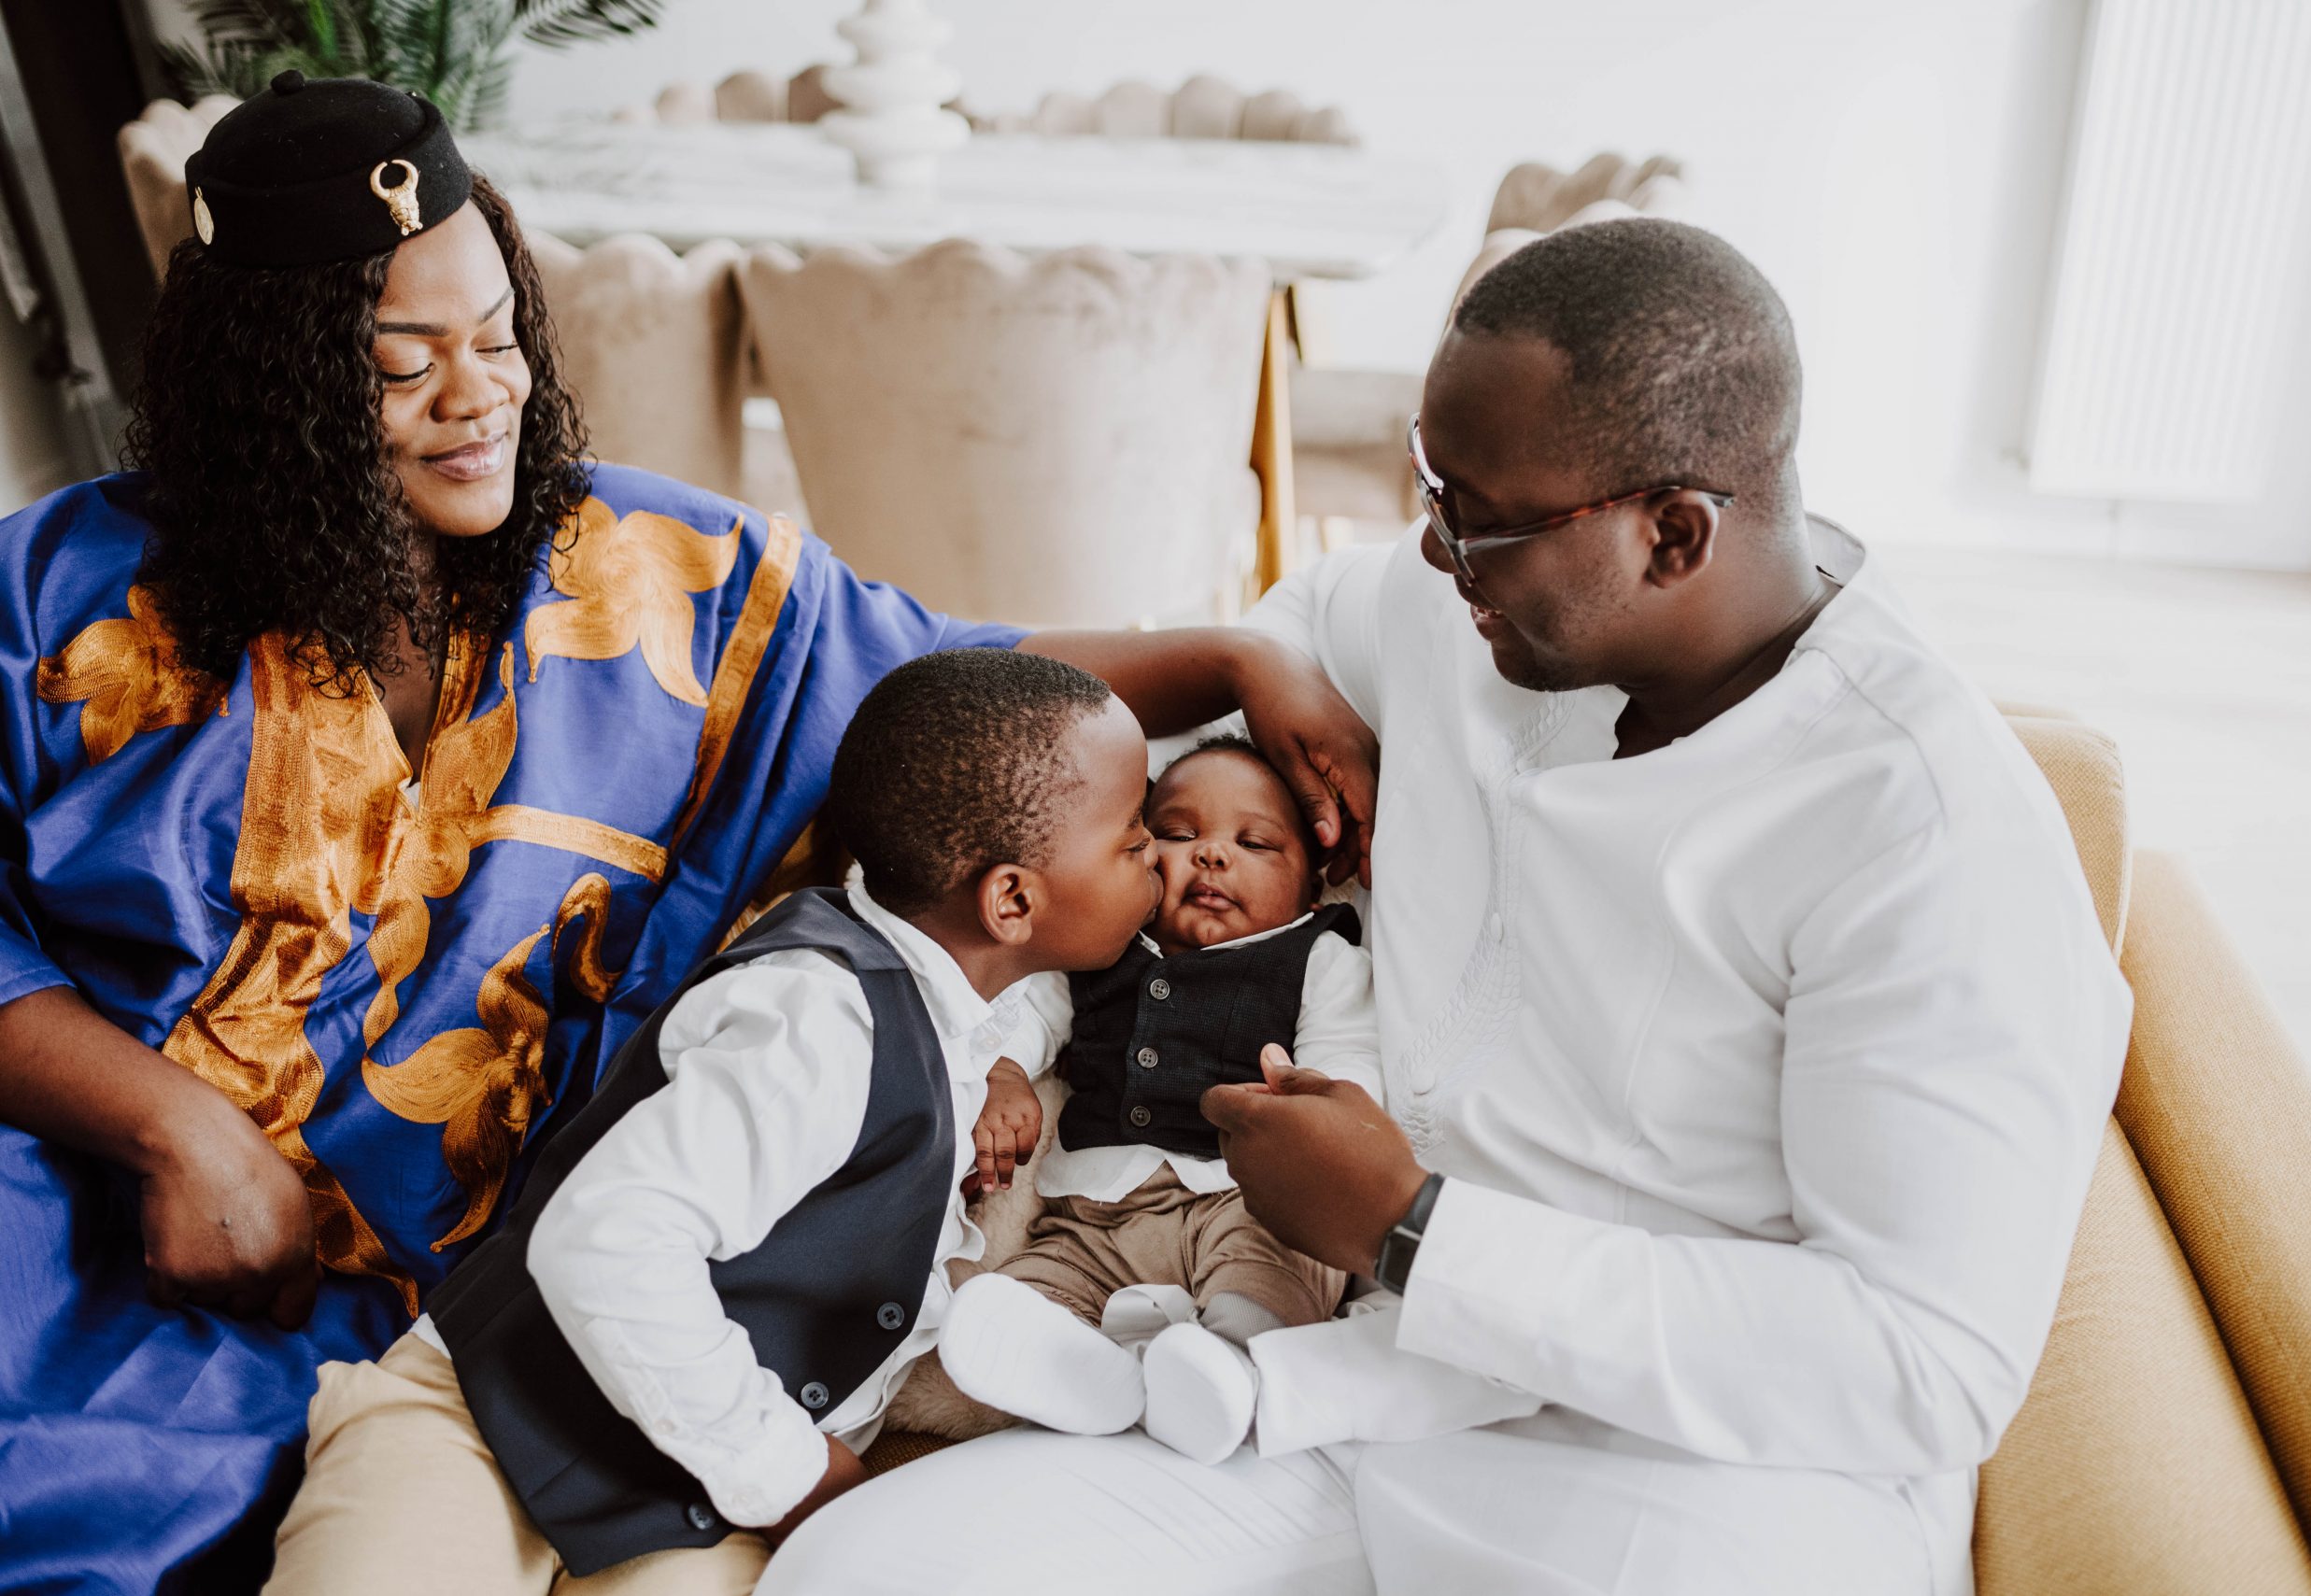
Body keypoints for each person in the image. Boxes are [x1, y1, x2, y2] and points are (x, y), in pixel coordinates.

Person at [0, 77, 1373, 1593]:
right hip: (106, 1246)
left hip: (525, 1292)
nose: (481, 397)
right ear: (270, 392)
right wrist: (164, 1121)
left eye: (500, 336)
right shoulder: (55, 597)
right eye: (404, 365)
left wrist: (1241, 658)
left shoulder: (664, 573)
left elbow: (956, 690)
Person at [769, 218, 2133, 1596]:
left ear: (1675, 534)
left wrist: (1413, 1226)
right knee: (860, 1575)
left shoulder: (1928, 832)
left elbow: (1922, 1360)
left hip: (1688, 1481)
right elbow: (1213, 662)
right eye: (1428, 484)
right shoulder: (1476, 616)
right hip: (1318, 1384)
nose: (1428, 552)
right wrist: (1259, 656)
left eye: (1472, 517)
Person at [262, 649, 1162, 1594]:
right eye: (1137, 838)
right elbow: (608, 1240)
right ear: (1011, 898)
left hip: (690, 1501)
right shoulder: (821, 1019)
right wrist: (793, 1472)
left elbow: (1036, 996)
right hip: (491, 1418)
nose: (1162, 857)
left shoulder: (965, 985)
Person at [938, 736, 1384, 1464]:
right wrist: (1007, 1075)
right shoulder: (1105, 942)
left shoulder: (1318, 955)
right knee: (1024, 1296)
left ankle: (1224, 1370)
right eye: (1178, 835)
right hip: (1094, 1214)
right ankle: (1100, 1381)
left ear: (1310, 888)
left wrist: (1325, 1113)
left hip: (1244, 1200)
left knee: (1268, 1275)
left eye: (1255, 842)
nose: (1211, 855)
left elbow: (1349, 1060)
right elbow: (1031, 1007)